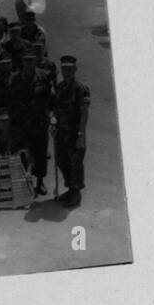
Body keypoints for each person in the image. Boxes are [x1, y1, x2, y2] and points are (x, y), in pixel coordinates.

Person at [9, 51, 53, 195]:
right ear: (22, 61)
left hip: (39, 122)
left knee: (40, 154)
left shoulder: (44, 76)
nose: (29, 63)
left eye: (31, 60)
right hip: (22, 123)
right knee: (23, 154)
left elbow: (49, 98)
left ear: (35, 61)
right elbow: (11, 101)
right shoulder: (15, 78)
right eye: (26, 60)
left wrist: (50, 116)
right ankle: (24, 184)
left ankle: (40, 183)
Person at [52, 55, 89, 206]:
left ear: (75, 69)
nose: (66, 72)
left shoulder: (81, 89)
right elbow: (56, 109)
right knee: (62, 161)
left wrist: (81, 133)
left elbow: (85, 113)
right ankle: (70, 189)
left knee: (76, 164)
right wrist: (53, 121)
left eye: (69, 69)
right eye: (64, 69)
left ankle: (76, 194)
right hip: (61, 133)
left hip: (74, 134)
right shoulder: (60, 87)